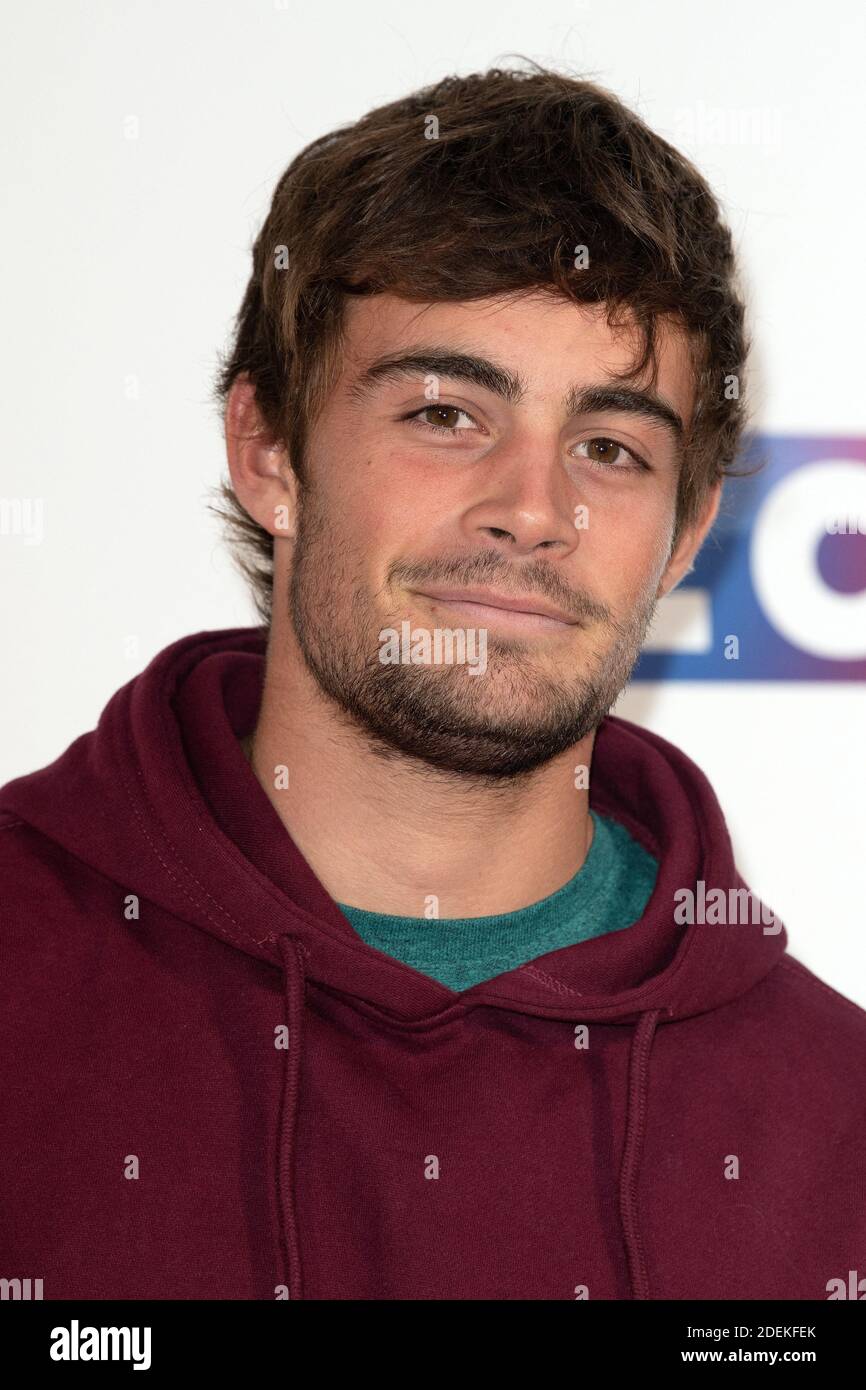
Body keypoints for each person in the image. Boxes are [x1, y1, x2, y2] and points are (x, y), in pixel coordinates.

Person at [1, 63, 863, 1302]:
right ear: (267, 449)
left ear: (683, 533)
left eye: (609, 447)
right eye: (446, 413)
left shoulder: (832, 1123)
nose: (531, 510)